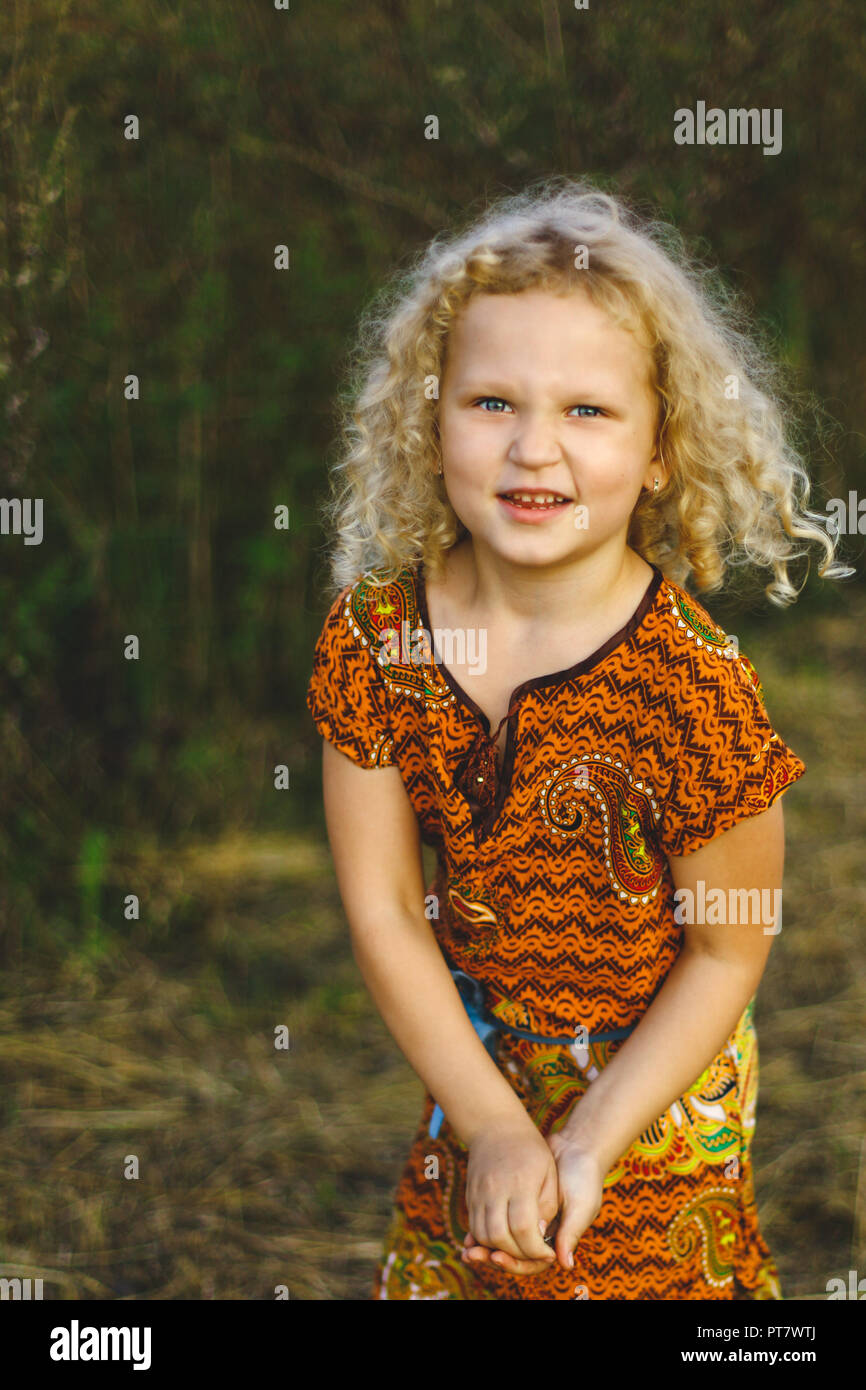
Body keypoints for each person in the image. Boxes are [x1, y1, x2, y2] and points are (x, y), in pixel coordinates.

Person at [305, 177, 849, 1300]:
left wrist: (585, 1141)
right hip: (473, 1064)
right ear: (430, 417)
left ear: (660, 447)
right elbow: (382, 910)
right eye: (491, 403)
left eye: (586, 411)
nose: (532, 450)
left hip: (653, 1093)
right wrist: (493, 1124)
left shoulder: (691, 687)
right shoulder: (375, 641)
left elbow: (727, 950)